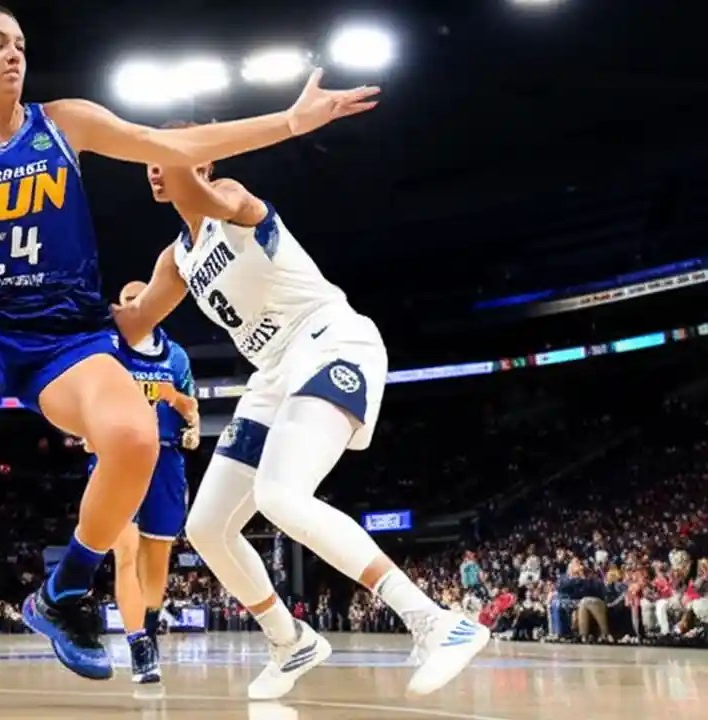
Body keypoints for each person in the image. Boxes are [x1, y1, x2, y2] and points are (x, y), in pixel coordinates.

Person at [0, 0, 379, 709]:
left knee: (136, 438)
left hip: (68, 335)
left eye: (19, 43)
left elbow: (172, 146)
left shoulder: (64, 123)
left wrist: (290, 121)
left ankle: (63, 594)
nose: (14, 53)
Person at [111, 131, 489, 701]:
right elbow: (134, 322)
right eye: (148, 162)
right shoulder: (177, 258)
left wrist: (182, 149)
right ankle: (290, 642)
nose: (154, 169)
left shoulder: (231, 198)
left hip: (329, 340)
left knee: (280, 495)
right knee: (207, 525)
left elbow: (208, 195)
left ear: (201, 162)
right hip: (271, 373)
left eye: (167, 156)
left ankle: (436, 622)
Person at [92, 280, 198, 684]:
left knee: (157, 560)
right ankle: (137, 644)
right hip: (117, 456)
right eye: (129, 301)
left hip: (165, 458)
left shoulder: (177, 355)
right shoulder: (107, 349)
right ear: (119, 307)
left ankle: (148, 633)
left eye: (143, 299)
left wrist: (191, 423)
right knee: (126, 550)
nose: (137, 306)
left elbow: (190, 404)